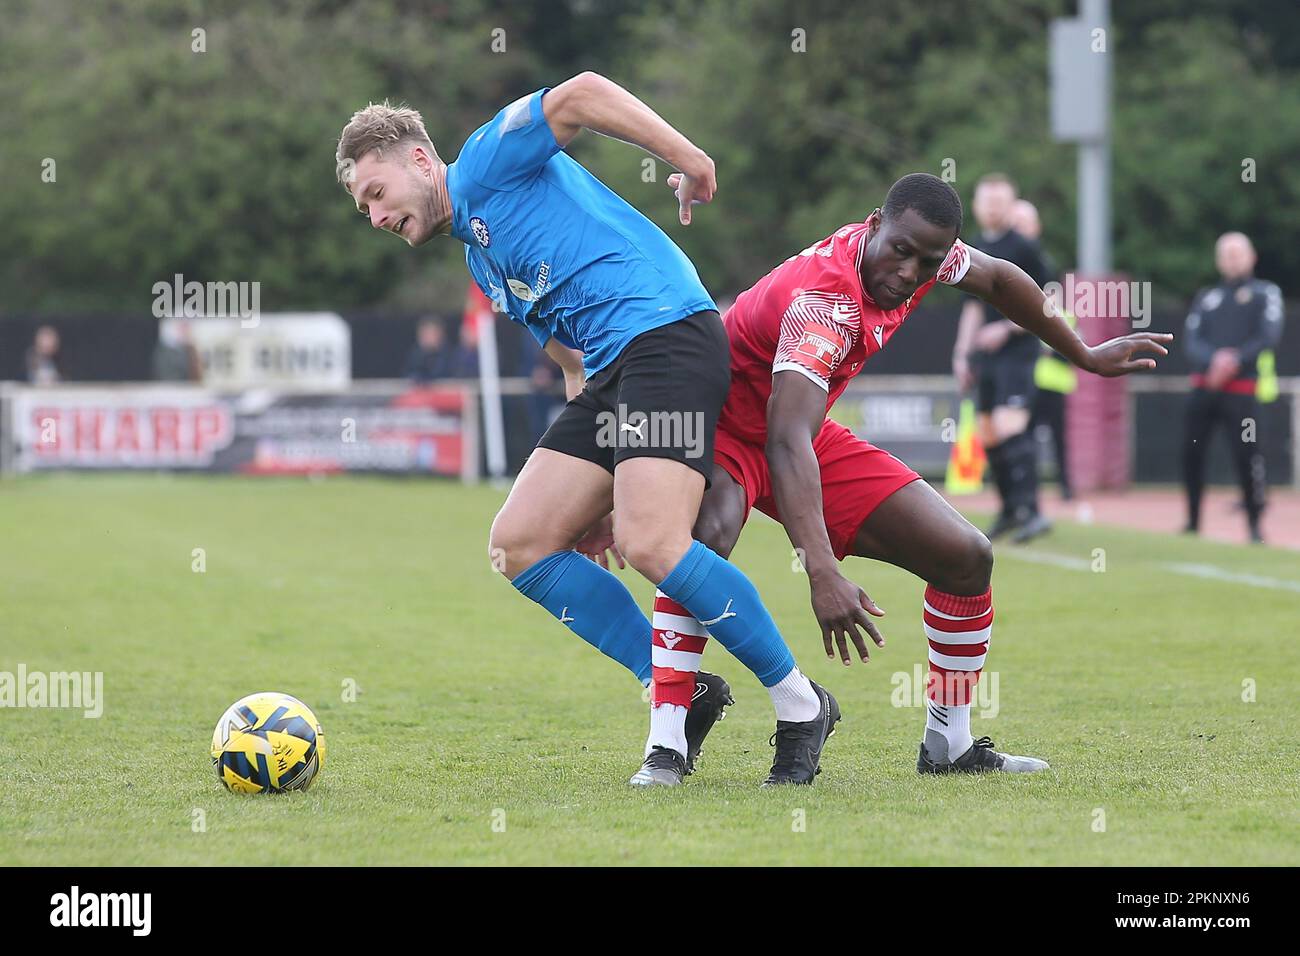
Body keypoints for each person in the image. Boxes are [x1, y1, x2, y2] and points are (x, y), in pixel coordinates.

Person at [336, 74, 837, 788]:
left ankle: (800, 702)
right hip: (611, 374)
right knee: (521, 543)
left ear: (420, 162)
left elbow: (581, 93)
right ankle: (681, 689)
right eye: (364, 210)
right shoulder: (482, 259)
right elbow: (572, 365)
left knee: (653, 542)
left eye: (376, 194)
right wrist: (595, 494)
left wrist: (690, 157)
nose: (376, 215)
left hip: (667, 337)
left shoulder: (484, 160)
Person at [676, 174, 1171, 774]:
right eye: (902, 251)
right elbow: (783, 442)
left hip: (803, 431)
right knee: (707, 537)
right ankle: (671, 737)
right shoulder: (826, 300)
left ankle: (950, 744)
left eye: (928, 262)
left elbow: (1000, 280)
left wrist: (1083, 354)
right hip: (727, 425)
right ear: (874, 222)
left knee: (966, 556)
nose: (910, 272)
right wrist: (822, 570)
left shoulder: (928, 256)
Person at [952, 175, 1055, 542]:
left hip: (1018, 353)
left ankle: (1033, 511)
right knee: (989, 434)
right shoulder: (973, 247)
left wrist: (1007, 330)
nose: (993, 208)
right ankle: (1010, 510)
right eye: (987, 201)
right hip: (985, 358)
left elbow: (1048, 303)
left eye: (1000, 202)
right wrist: (962, 354)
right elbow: (972, 308)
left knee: (1010, 425)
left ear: (1012, 206)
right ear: (976, 206)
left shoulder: (1025, 248)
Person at [1181, 232, 1284, 543]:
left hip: (1242, 391)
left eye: (1238, 253)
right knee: (1192, 452)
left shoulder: (1265, 293)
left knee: (1248, 457)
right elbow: (1192, 341)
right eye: (1226, 254)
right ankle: (1193, 522)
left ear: (1252, 257)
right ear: (1218, 260)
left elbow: (1268, 335)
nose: (1232, 259)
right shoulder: (1206, 298)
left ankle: (1254, 526)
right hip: (1204, 388)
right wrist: (1214, 360)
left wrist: (1233, 360)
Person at [1012, 199, 1075, 500]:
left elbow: (1056, 317)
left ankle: (1061, 489)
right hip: (1021, 370)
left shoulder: (1042, 265)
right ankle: (1023, 496)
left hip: (1050, 378)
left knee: (1053, 435)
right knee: (1017, 434)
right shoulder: (1003, 258)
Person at [404, 318, 461, 383]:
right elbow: (410, 374)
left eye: (429, 334)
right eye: (423, 335)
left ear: (440, 334)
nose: (425, 338)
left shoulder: (452, 355)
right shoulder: (415, 355)